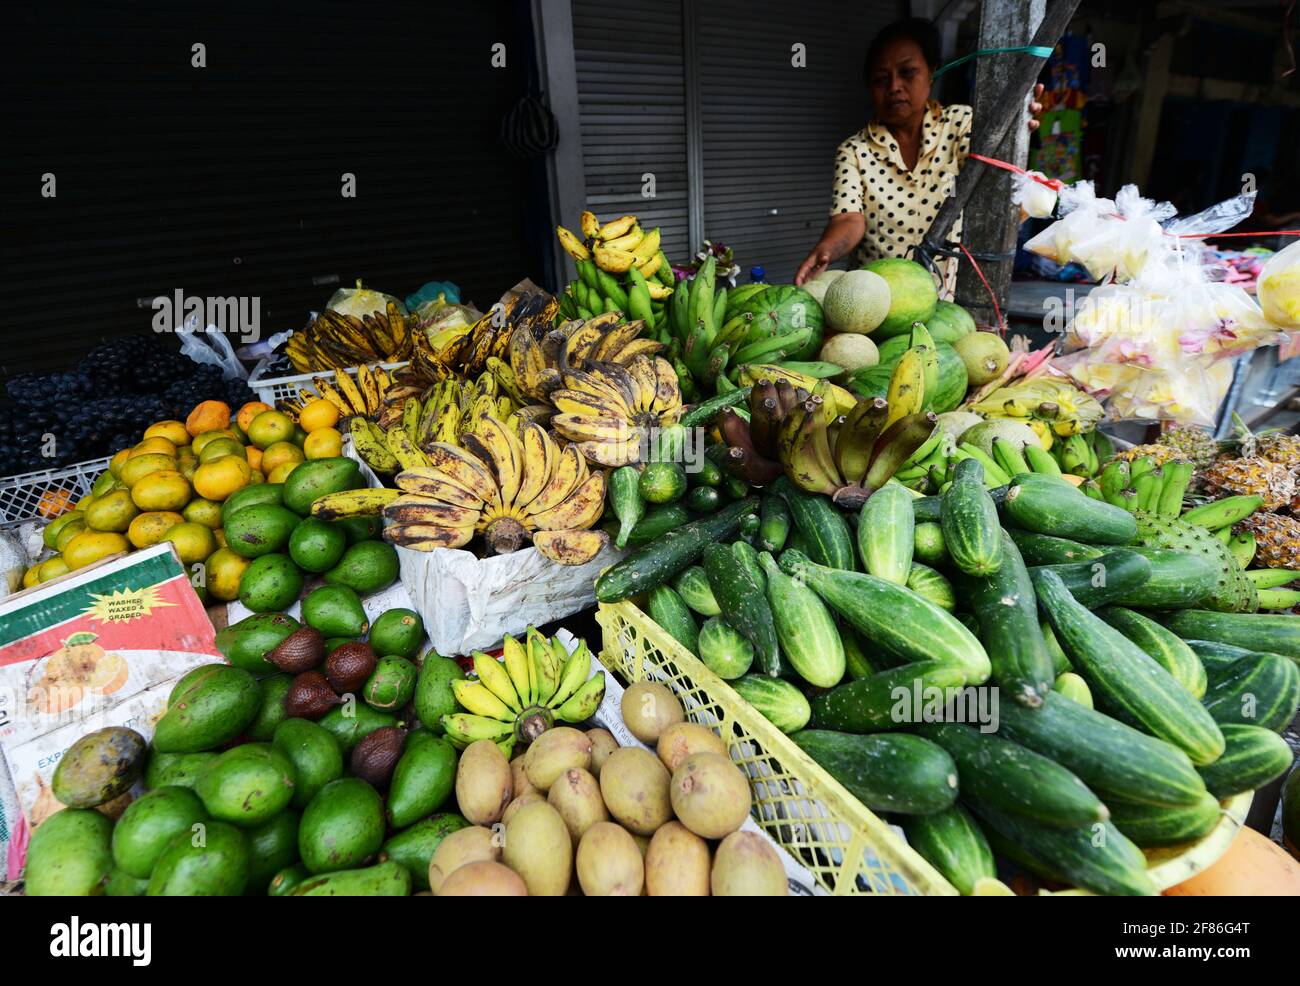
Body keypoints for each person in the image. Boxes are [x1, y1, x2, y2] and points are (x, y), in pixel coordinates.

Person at [795, 17, 1043, 293]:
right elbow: (848, 218)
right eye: (881, 79)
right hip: (875, 302)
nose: (894, 87)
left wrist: (1018, 125)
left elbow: (995, 166)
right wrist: (826, 250)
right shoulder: (855, 151)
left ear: (931, 72)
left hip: (945, 297)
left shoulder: (960, 125)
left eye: (907, 72)